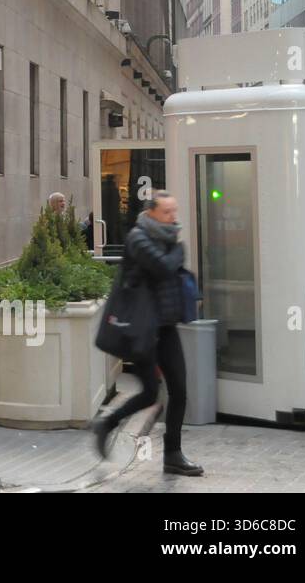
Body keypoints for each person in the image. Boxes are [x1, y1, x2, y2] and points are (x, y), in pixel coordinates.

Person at [89, 190, 202, 476]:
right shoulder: (138, 238)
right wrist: (180, 250)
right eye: (167, 212)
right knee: (151, 393)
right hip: (141, 329)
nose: (173, 217)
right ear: (151, 212)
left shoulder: (166, 239)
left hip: (165, 326)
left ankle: (173, 456)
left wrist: (176, 251)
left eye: (175, 211)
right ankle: (107, 424)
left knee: (179, 390)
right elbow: (164, 267)